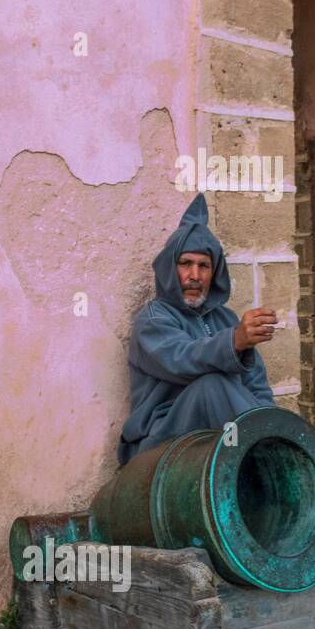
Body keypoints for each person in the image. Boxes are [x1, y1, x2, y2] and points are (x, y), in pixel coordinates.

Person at [117, 193, 277, 465]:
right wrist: (234, 341)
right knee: (210, 385)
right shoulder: (153, 320)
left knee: (265, 412)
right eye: (185, 264)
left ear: (214, 273)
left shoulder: (227, 320)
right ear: (170, 268)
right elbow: (184, 359)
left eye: (204, 266)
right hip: (161, 440)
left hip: (216, 437)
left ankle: (289, 454)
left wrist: (274, 423)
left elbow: (257, 388)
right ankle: (279, 460)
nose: (195, 275)